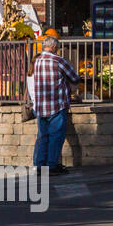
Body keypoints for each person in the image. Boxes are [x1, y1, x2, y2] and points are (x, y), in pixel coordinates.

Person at [31, 35, 78, 174]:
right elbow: (74, 77)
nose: (57, 50)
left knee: (43, 136)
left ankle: (39, 165)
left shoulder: (37, 61)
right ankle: (52, 165)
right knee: (56, 136)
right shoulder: (58, 60)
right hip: (56, 104)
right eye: (57, 48)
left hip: (40, 105)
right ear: (53, 47)